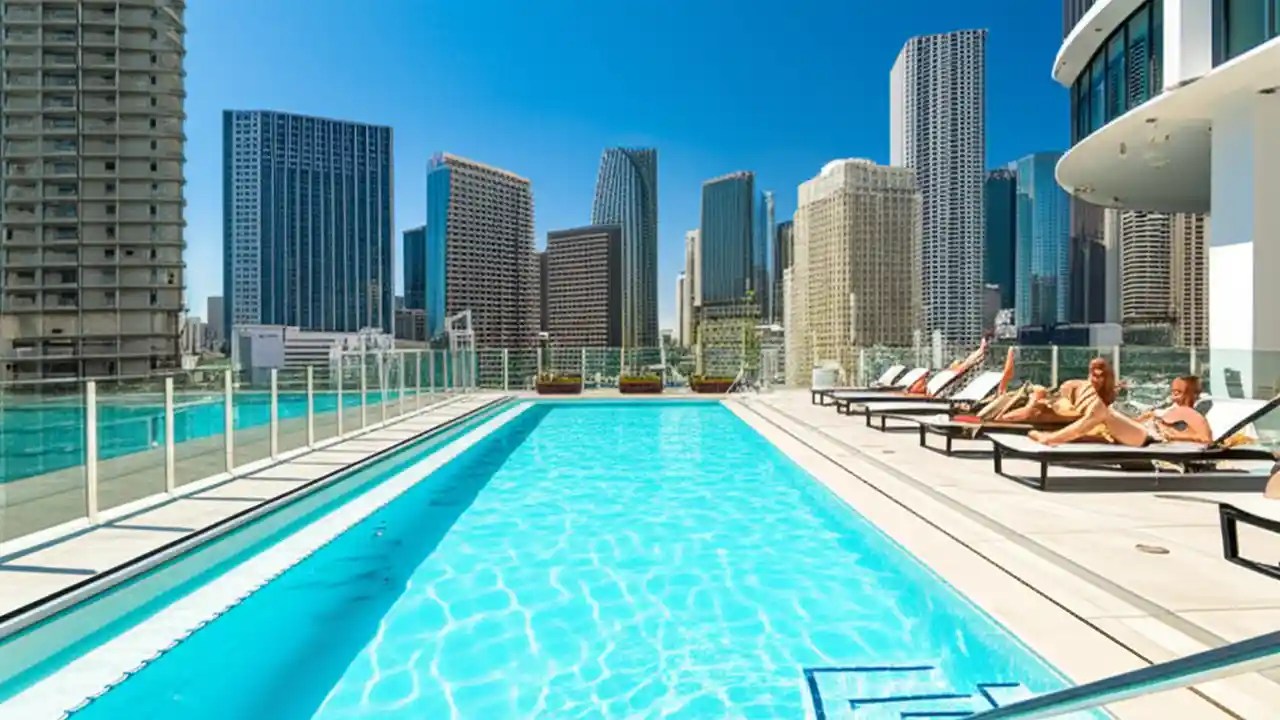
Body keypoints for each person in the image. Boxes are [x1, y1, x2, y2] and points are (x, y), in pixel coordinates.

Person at [1028, 375, 1212, 447]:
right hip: (1142, 432)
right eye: (1173, 391)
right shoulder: (1170, 409)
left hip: (1150, 439)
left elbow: (1206, 440)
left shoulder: (1192, 414)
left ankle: (1052, 438)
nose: (1174, 395)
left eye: (1179, 392)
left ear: (1193, 394)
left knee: (1102, 413)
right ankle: (1053, 434)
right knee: (1100, 412)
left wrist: (1171, 435)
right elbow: (1139, 421)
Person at [994, 357, 1117, 425]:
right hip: (1043, 402)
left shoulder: (1103, 398)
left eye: (1099, 376)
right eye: (1092, 374)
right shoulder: (1078, 387)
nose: (1094, 379)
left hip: (1043, 406)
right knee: (1024, 405)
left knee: (1030, 409)